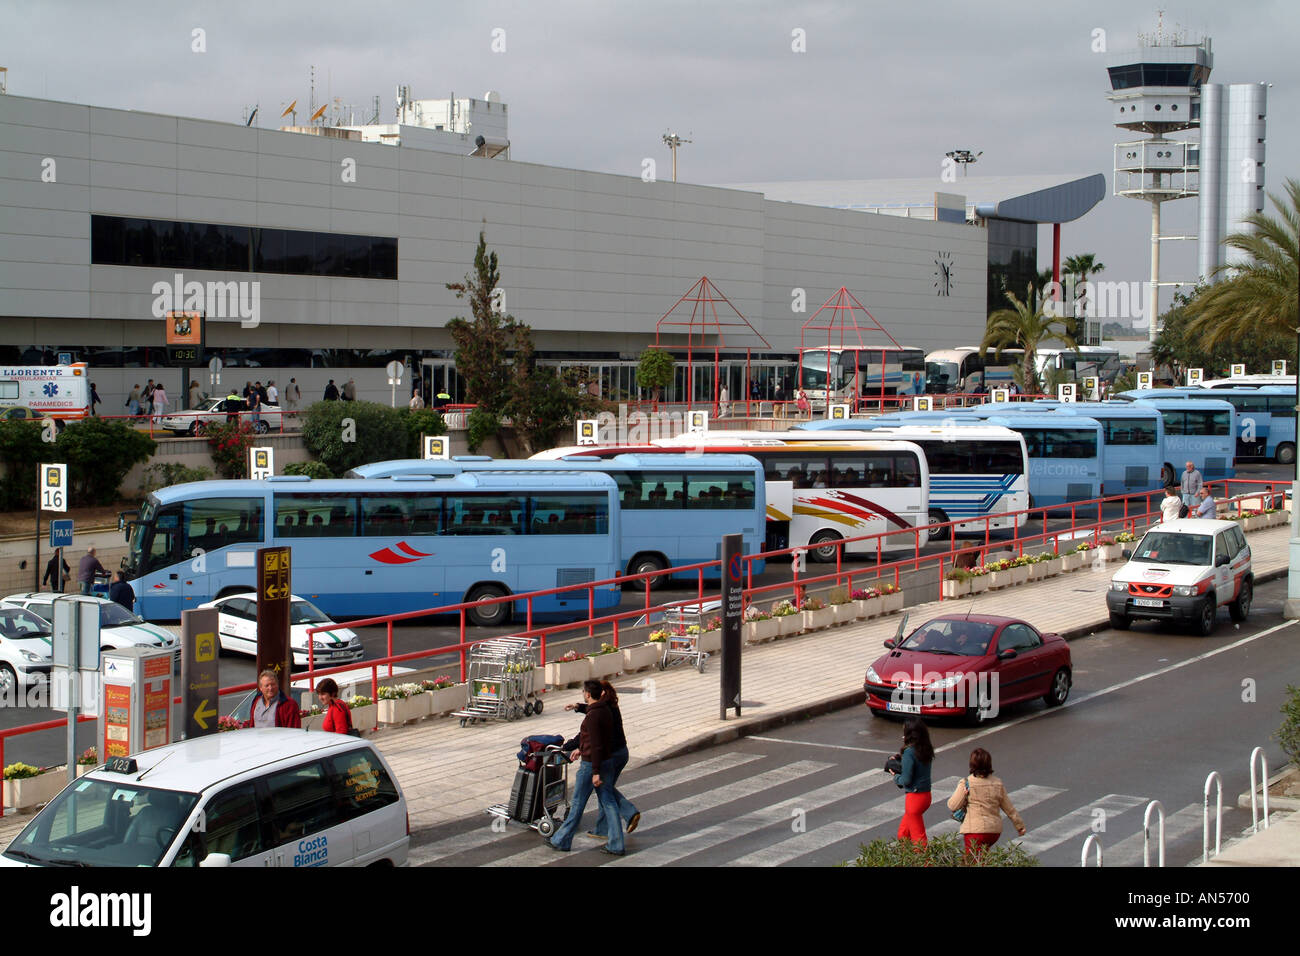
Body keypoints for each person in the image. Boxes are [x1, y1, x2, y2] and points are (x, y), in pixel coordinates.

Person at [547, 680, 625, 855]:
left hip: (592, 765)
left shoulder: (593, 716)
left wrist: (595, 771)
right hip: (607, 761)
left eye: (584, 692)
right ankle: (617, 844)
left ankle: (561, 840)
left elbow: (596, 744)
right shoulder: (605, 710)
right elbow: (596, 741)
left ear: (588, 694)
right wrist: (581, 749)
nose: (583, 693)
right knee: (609, 802)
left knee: (578, 804)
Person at [564, 681, 640, 843]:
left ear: (600, 694)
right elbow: (591, 713)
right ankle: (606, 831)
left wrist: (576, 749)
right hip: (613, 753)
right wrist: (578, 706)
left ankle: (627, 813)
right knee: (606, 793)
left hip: (607, 755)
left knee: (602, 793)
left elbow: (594, 739)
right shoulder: (607, 707)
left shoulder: (599, 712)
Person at [947, 747, 1026, 858]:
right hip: (993, 832)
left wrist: (964, 794)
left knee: (971, 861)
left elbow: (952, 805)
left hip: (974, 832)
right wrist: (1020, 826)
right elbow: (1009, 808)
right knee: (982, 858)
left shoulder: (966, 782)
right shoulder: (997, 783)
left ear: (972, 764)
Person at [888, 717, 934, 846]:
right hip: (925, 796)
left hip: (914, 798)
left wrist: (895, 776)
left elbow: (906, 780)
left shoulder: (909, 752)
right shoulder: (926, 748)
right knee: (904, 833)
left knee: (919, 839)